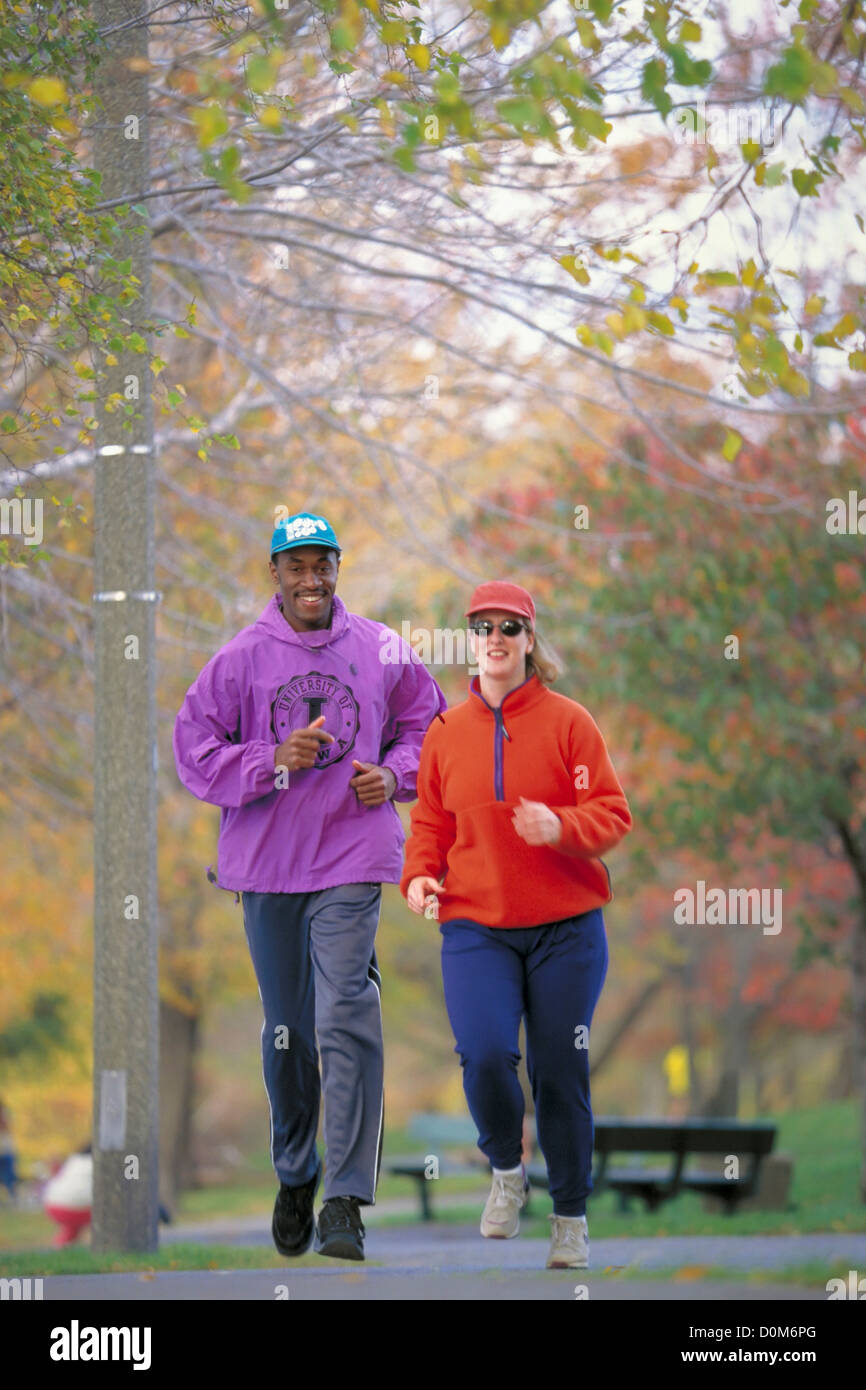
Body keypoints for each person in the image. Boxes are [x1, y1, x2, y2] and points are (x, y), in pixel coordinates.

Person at [173, 512, 446, 1261]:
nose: (311, 579)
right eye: (296, 566)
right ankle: (296, 1170)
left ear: (337, 568)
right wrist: (268, 759)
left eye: (322, 564)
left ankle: (346, 1201)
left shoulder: (383, 648)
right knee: (288, 1034)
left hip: (353, 856)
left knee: (346, 1014)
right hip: (266, 867)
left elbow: (432, 726)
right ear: (275, 574)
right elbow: (193, 751)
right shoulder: (240, 658)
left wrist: (394, 775)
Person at [401, 581, 632, 1270]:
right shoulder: (444, 732)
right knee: (485, 1053)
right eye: (483, 627)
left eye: (510, 627)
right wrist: (417, 876)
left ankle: (569, 1219)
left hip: (566, 928)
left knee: (560, 1073)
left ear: (530, 640)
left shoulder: (570, 723)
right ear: (471, 641)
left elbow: (612, 815)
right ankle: (507, 1167)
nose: (495, 638)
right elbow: (431, 823)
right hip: (477, 926)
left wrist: (561, 825)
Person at [43, 1145, 92, 1247]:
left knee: (72, 1227)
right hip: (79, 1208)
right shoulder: (99, 1162)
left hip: (53, 1204)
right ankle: (108, 1248)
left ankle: (60, 1246)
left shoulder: (73, 1160)